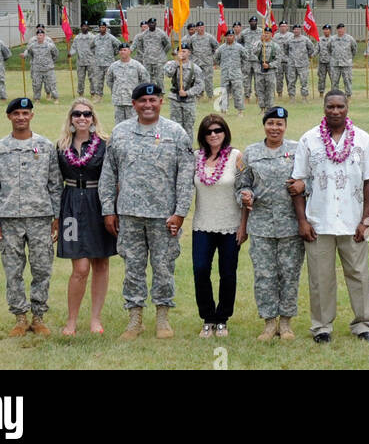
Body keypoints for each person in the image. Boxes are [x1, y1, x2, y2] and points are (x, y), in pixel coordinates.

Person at [100, 83, 196, 340]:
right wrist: (108, 209)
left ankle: (163, 318)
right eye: (142, 100)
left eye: (152, 100)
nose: (148, 105)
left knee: (164, 266)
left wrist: (181, 212)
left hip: (164, 215)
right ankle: (135, 320)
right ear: (134, 104)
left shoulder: (176, 132)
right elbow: (108, 174)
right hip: (129, 214)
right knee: (133, 266)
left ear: (161, 102)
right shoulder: (120, 133)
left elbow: (185, 177)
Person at [289, 91, 369, 343]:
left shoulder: (363, 139)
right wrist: (302, 221)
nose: (335, 111)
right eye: (331, 106)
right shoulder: (309, 140)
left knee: (359, 274)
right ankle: (321, 327)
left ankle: (363, 325)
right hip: (319, 222)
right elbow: (297, 183)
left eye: (340, 106)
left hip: (353, 222)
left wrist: (366, 221)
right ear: (324, 108)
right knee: (320, 278)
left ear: (347, 108)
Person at [0, 97, 62, 337]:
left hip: (40, 218)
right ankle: (20, 317)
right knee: (13, 271)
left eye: (25, 113)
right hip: (10, 220)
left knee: (42, 269)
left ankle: (38, 317)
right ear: (9, 117)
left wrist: (57, 217)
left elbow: (55, 185)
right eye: (16, 113)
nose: (21, 117)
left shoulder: (46, 146)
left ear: (32, 116)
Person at [236, 106, 304, 341]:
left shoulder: (298, 150)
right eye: (271, 123)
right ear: (264, 125)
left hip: (291, 226)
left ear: (286, 127)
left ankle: (285, 323)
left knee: (289, 274)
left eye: (279, 124)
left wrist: (303, 186)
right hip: (262, 226)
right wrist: (245, 195)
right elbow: (242, 185)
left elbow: (310, 181)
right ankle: (268, 322)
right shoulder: (251, 153)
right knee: (264, 275)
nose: (275, 128)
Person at [56, 99, 116, 336]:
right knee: (79, 266)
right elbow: (53, 180)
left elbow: (113, 178)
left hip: (98, 204)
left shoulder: (105, 144)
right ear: (71, 118)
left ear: (93, 118)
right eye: (77, 114)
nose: (82, 118)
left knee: (100, 263)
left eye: (87, 114)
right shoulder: (61, 146)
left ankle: (95, 319)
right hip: (71, 207)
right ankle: (71, 321)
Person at [191, 115, 241, 338]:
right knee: (201, 270)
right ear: (203, 135)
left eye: (218, 130)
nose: (213, 135)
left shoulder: (236, 156)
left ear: (225, 132)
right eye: (208, 131)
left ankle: (222, 319)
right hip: (203, 224)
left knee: (227, 273)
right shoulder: (195, 158)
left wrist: (244, 225)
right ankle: (208, 317)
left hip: (231, 225)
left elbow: (246, 188)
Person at [163, 41, 203, 145]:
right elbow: (168, 73)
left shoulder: (195, 68)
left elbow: (200, 86)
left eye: (184, 51)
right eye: (180, 51)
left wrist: (188, 93)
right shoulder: (172, 64)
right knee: (175, 125)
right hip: (175, 99)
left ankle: (188, 147)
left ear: (189, 53)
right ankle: (176, 146)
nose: (182, 53)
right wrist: (177, 62)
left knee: (188, 126)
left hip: (189, 101)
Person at [104, 44, 150, 125]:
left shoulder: (136, 65)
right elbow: (109, 80)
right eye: (121, 50)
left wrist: (139, 93)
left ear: (129, 51)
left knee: (133, 123)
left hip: (132, 100)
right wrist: (116, 90)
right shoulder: (114, 66)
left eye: (125, 50)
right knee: (119, 124)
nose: (122, 52)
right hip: (119, 100)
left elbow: (145, 79)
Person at [213, 31, 247, 116]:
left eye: (231, 35)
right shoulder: (221, 48)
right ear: (225, 37)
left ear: (234, 36)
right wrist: (222, 65)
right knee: (224, 92)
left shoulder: (239, 47)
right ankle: (223, 111)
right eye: (228, 36)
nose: (229, 37)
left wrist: (240, 68)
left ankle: (240, 111)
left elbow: (246, 57)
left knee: (238, 92)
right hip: (225, 74)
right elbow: (216, 58)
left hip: (236, 74)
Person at [23, 26, 60, 103]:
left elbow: (56, 54)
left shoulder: (50, 45)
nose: (39, 37)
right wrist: (24, 55)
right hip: (37, 69)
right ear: (36, 36)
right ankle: (37, 99)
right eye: (38, 35)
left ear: (44, 36)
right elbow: (29, 53)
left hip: (48, 69)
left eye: (41, 35)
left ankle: (55, 98)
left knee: (52, 84)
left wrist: (50, 62)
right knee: (37, 85)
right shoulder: (32, 46)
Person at [252, 27, 281, 113]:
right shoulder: (258, 44)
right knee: (260, 90)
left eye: (268, 33)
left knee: (270, 90)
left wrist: (269, 65)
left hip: (270, 72)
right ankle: (262, 108)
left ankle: (269, 109)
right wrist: (261, 43)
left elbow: (278, 60)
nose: (266, 35)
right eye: (264, 33)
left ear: (271, 35)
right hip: (259, 70)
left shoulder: (275, 46)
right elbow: (253, 52)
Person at [133, 18, 169, 85]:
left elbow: (168, 44)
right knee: (147, 78)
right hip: (147, 60)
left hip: (159, 60)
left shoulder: (161, 33)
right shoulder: (143, 34)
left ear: (156, 24)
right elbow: (139, 45)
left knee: (159, 78)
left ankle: (161, 93)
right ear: (148, 24)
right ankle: (149, 93)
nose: (152, 24)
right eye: (150, 23)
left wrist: (162, 53)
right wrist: (144, 53)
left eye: (153, 23)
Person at [190, 22, 219, 102]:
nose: (200, 28)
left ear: (204, 27)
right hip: (196, 63)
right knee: (197, 79)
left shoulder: (209, 37)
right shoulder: (193, 38)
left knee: (208, 80)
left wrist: (213, 57)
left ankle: (210, 96)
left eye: (201, 27)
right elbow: (189, 49)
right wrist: (192, 57)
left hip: (207, 62)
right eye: (198, 27)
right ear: (196, 28)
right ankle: (199, 95)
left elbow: (216, 47)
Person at [91, 22, 119, 102]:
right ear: (99, 28)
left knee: (110, 81)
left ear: (106, 28)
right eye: (100, 27)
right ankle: (99, 97)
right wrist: (96, 54)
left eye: (103, 27)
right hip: (98, 63)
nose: (102, 29)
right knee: (99, 81)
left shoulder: (111, 37)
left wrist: (114, 54)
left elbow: (118, 45)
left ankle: (114, 97)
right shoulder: (95, 38)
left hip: (108, 63)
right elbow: (91, 47)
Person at [284, 23, 312, 102]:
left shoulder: (305, 39)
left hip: (303, 65)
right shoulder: (289, 40)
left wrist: (307, 57)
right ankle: (292, 97)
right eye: (295, 29)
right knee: (291, 82)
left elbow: (311, 49)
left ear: (300, 30)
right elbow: (285, 50)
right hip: (292, 65)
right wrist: (290, 58)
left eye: (298, 29)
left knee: (304, 81)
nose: (296, 31)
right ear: (293, 30)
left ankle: (304, 97)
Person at [330, 22, 358, 96]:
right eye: (339, 29)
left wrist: (349, 58)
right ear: (337, 30)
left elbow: (354, 49)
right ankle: (335, 96)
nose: (340, 30)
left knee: (347, 81)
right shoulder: (332, 39)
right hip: (335, 64)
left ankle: (348, 96)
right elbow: (329, 49)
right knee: (334, 81)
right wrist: (334, 57)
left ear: (344, 29)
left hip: (346, 64)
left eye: (342, 29)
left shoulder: (350, 38)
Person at [70, 23, 96, 98]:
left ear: (88, 27)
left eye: (85, 26)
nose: (84, 27)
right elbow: (74, 47)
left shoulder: (93, 37)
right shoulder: (77, 38)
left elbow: (96, 47)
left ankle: (93, 93)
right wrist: (70, 54)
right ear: (81, 28)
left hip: (91, 61)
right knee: (80, 79)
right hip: (80, 61)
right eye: (82, 26)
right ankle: (80, 93)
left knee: (92, 78)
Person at [316, 23, 332, 96]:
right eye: (325, 30)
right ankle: (321, 93)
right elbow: (317, 49)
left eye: (327, 30)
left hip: (331, 62)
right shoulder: (319, 39)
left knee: (333, 78)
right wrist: (312, 55)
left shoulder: (333, 39)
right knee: (321, 78)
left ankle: (333, 93)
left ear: (330, 31)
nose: (326, 31)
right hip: (322, 62)